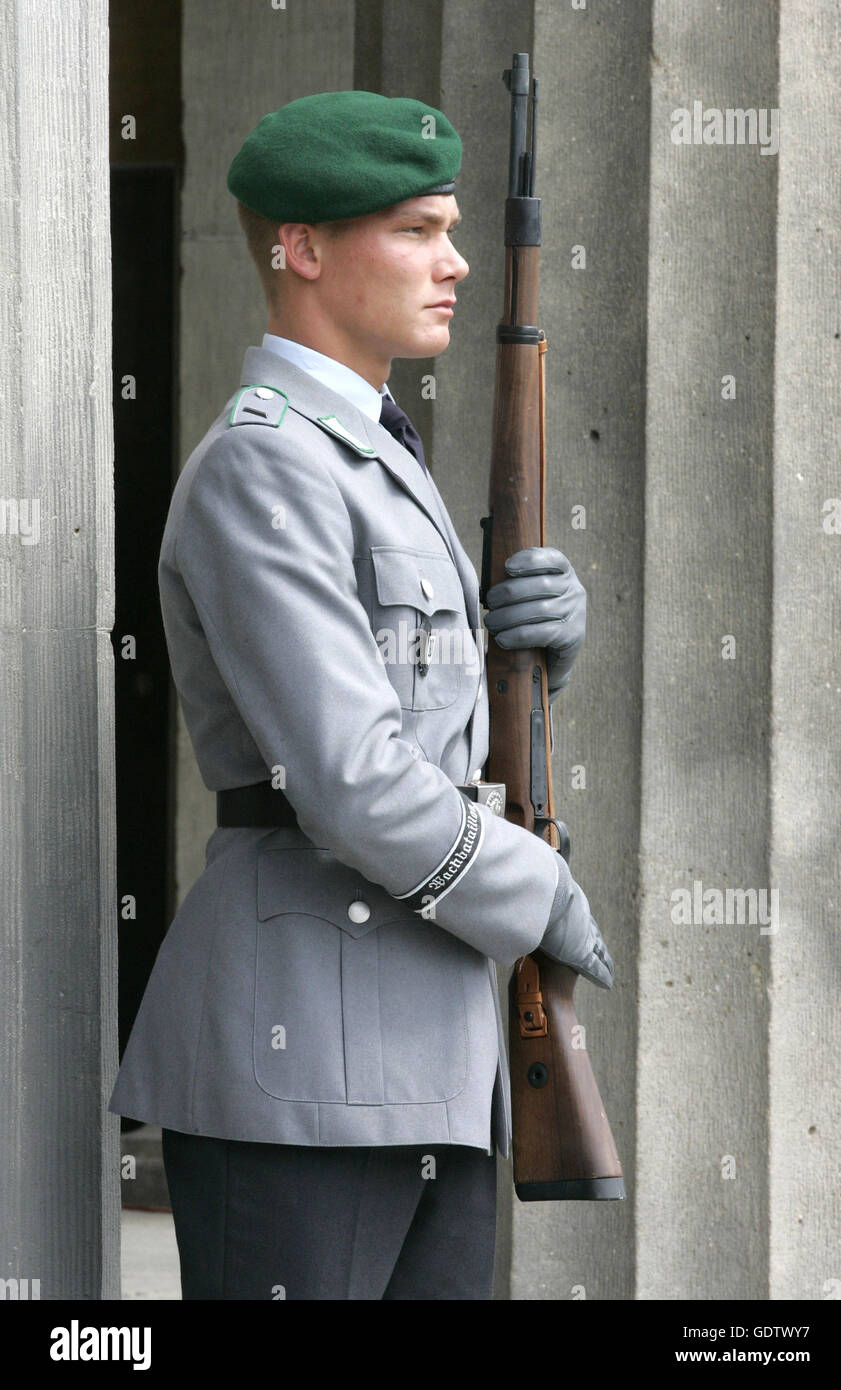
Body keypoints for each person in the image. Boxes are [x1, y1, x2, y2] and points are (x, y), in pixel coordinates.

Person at [108, 88, 613, 1301]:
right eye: (415, 230)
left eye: (449, 229)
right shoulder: (263, 462)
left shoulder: (377, 452)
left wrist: (529, 657)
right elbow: (346, 778)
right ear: (301, 248)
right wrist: (534, 886)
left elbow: (426, 731)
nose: (452, 265)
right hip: (299, 1068)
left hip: (429, 1054)